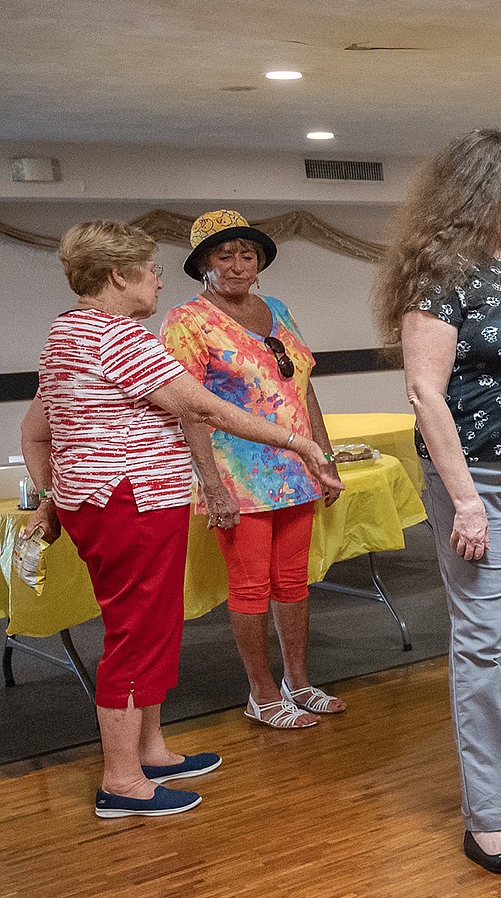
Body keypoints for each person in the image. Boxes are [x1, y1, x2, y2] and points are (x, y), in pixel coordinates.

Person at [22, 220, 340, 817]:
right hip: (129, 501)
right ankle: (121, 780)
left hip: (114, 500)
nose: (159, 281)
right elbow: (200, 404)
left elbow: (36, 429)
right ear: (118, 276)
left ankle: (151, 751)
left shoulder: (67, 331)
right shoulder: (118, 336)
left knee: (155, 627)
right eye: (151, 271)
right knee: (134, 636)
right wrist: (295, 443)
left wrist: (50, 495)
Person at [371, 129, 501, 875]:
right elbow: (425, 391)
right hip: (478, 480)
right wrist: (461, 499)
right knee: (483, 640)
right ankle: (489, 815)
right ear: (489, 192)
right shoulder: (440, 277)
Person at [163, 211, 345, 729]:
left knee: (294, 583)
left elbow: (302, 386)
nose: (239, 264)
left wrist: (324, 457)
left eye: (247, 254)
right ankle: (261, 693)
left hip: (296, 469)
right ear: (203, 264)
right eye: (225, 255)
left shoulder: (279, 309)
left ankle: (299, 682)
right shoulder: (186, 321)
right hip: (237, 478)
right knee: (249, 588)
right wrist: (212, 486)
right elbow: (189, 408)